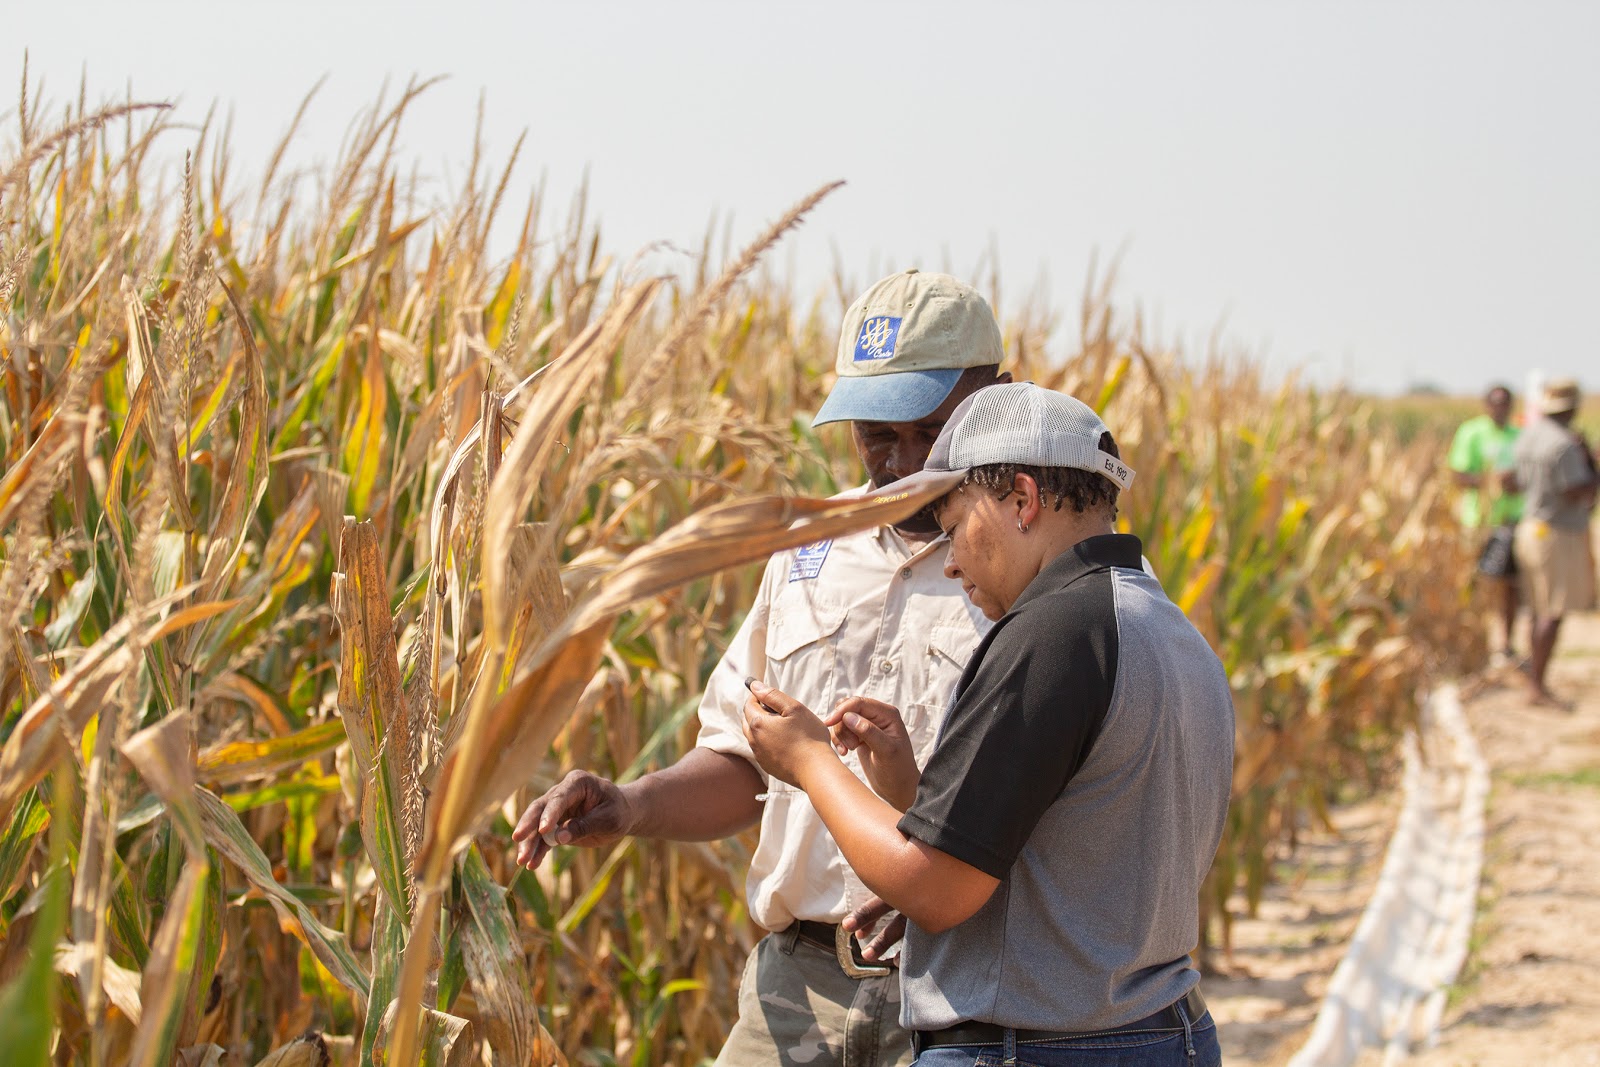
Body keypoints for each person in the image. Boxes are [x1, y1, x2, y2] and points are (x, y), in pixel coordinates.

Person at [511, 269, 1011, 1066]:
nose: (905, 460)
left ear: (999, 398)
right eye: (878, 432)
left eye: (932, 429)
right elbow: (746, 765)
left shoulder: (1031, 568)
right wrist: (632, 803)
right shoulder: (806, 550)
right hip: (794, 991)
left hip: (963, 997)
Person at [742, 382, 1233, 1066]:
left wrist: (811, 759)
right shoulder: (1170, 631)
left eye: (954, 526)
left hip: (1031, 1049)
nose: (950, 560)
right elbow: (1083, 862)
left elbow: (936, 888)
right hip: (1163, 1034)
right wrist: (913, 791)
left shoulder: (1050, 633)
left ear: (1022, 500)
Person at [1511, 378, 1597, 706]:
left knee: (1536, 609)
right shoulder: (1563, 444)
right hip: (1557, 531)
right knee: (1554, 611)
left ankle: (1534, 678)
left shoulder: (1527, 437)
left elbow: (1514, 483)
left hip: (1530, 528)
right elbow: (1574, 490)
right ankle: (1537, 686)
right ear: (1572, 407)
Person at [1447, 384, 1524, 663]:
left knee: (1510, 586)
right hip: (1478, 521)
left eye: (1505, 403)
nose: (1500, 408)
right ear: (1486, 404)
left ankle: (1506, 643)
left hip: (1511, 519)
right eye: (1495, 403)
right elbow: (1458, 475)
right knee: (1476, 584)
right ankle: (1474, 642)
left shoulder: (1519, 435)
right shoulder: (1472, 432)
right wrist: (1491, 481)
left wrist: (1515, 483)